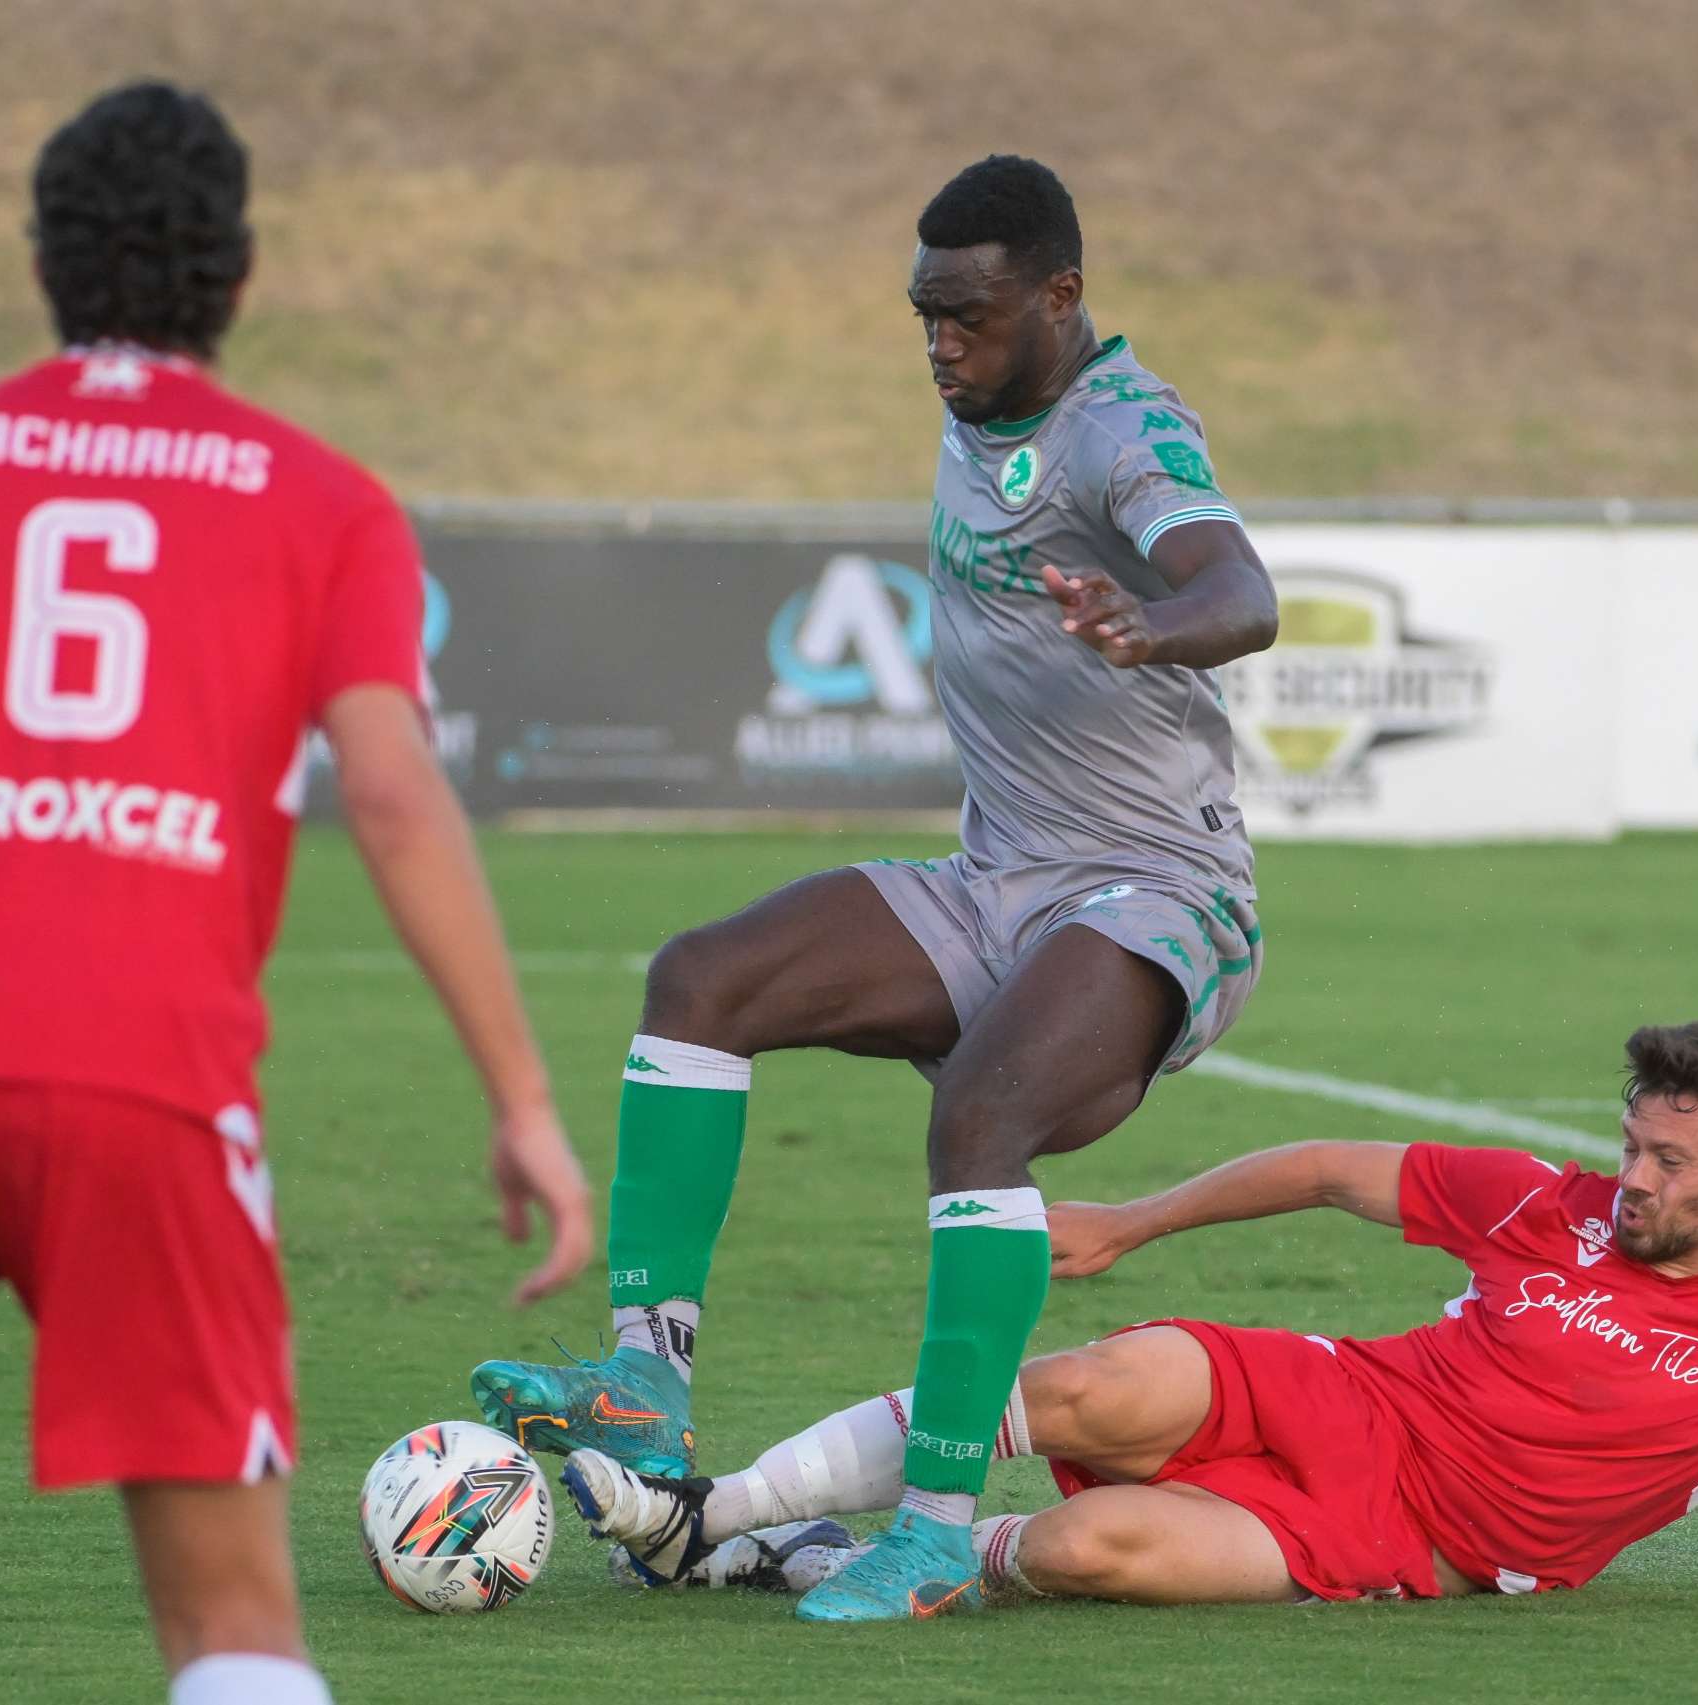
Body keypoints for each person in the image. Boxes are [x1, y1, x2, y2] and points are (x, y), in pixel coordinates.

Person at [0, 83, 592, 1705]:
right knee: (235, 1634)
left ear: (44, 264)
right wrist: (522, 1095)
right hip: (146, 1087)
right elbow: (387, 788)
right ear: (236, 276)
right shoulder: (320, 501)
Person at [471, 152, 1278, 1622]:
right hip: (995, 877)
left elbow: (1244, 589)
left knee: (983, 1114)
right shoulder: (984, 404)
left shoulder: (1126, 426)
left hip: (1157, 892)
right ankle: (646, 1383)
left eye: (968, 317)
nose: (940, 347)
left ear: (1061, 296)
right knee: (699, 981)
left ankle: (929, 1534)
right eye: (923, 315)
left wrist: (1152, 628)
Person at [565, 1021, 1698, 1615]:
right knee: (1091, 1383)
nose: (1628, 1175)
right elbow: (1330, 1166)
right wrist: (1135, 1224)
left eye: (1666, 1156)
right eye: (1631, 1140)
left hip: (1408, 1543)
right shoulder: (1545, 1197)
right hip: (1342, 1392)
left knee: (1082, 1559)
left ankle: (790, 1553)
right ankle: (707, 1508)